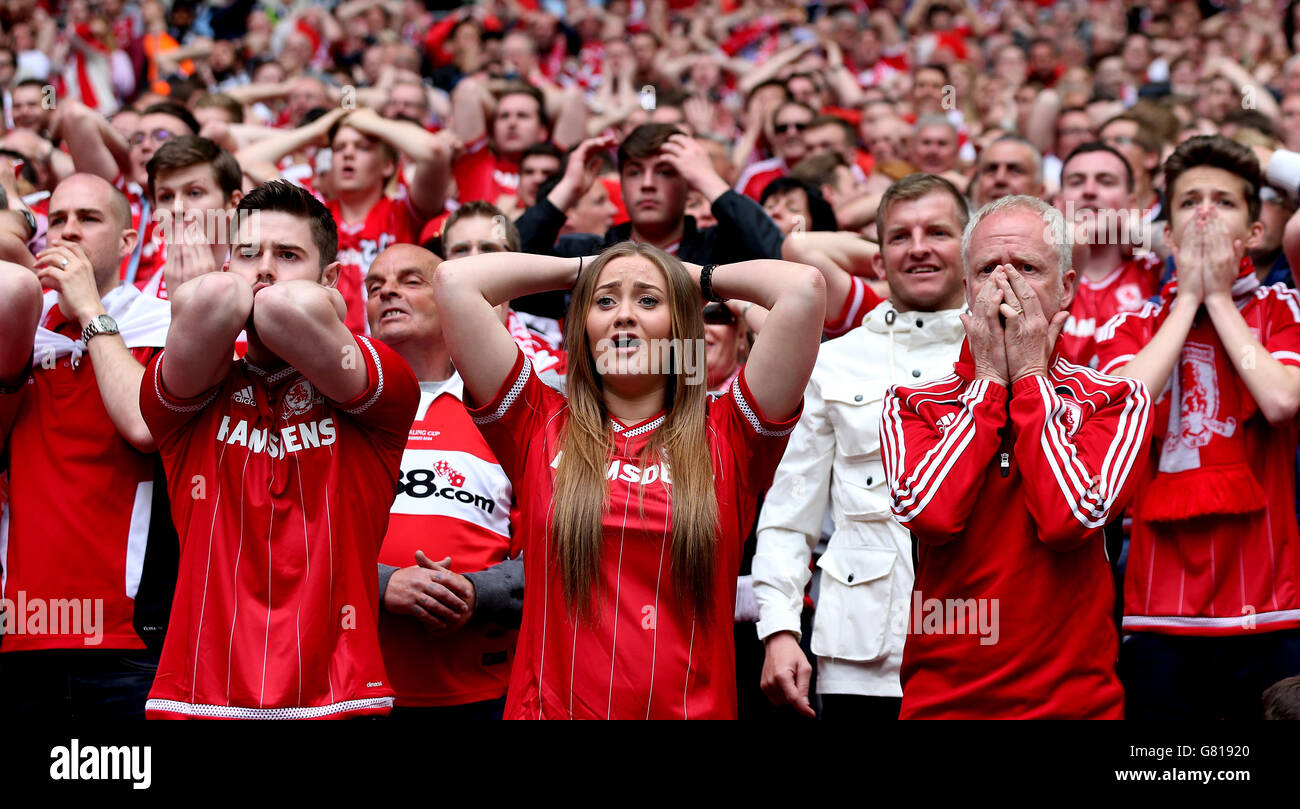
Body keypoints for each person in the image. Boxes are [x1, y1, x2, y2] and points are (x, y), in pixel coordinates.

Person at [431, 242, 825, 718]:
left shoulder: (729, 434)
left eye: (648, 301)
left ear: (681, 331)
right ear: (583, 329)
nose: (623, 315)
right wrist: (587, 269)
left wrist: (693, 278)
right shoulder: (537, 423)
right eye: (605, 301)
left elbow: (804, 288)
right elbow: (454, 282)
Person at [138, 180, 419, 718]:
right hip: (199, 700)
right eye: (248, 254)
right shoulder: (189, 389)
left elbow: (283, 312)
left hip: (339, 699)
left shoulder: (384, 381)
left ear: (330, 278)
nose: (264, 270)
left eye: (288, 255)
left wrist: (318, 304)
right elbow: (218, 299)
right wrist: (257, 287)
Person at [881, 194, 1153, 718]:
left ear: (1067, 288)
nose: (1006, 287)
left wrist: (1029, 380)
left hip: (1075, 708)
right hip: (942, 707)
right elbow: (931, 516)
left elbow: (1067, 519)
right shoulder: (911, 401)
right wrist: (988, 386)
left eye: (1028, 268)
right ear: (966, 290)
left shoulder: (1116, 399)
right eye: (987, 271)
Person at [1095, 136, 1300, 720]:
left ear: (1254, 234)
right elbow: (1123, 410)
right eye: (1188, 203)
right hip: (1158, 608)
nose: (1205, 212)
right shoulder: (1131, 323)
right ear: (1167, 234)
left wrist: (1220, 301)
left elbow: (1281, 399)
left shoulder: (1282, 308)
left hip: (1270, 604)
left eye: (1224, 202)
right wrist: (1188, 301)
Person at [755, 174, 970, 720]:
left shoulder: (1010, 351)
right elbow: (789, 511)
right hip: (861, 656)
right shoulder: (832, 361)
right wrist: (779, 627)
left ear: (970, 251)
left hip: (981, 648)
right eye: (899, 236)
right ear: (877, 261)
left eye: (937, 232)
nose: (918, 247)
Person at [0, 173, 175, 719]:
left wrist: (89, 310)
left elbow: (145, 429)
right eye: (57, 221)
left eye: (89, 219)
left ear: (129, 242)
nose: (68, 233)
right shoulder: (21, 334)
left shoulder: (163, 325)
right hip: (22, 635)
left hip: (128, 642)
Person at [366, 244, 523, 719]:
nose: (387, 291)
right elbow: (294, 537)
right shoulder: (338, 408)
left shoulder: (509, 409)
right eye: (374, 286)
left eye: (411, 281)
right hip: (355, 691)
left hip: (483, 693)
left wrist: (478, 593)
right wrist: (380, 584)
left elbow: (555, 549)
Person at [516, 125, 786, 286]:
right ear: (620, 185)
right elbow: (515, 267)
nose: (647, 184)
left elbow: (777, 257)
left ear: (689, 183)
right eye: (634, 172)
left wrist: (709, 180)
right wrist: (567, 189)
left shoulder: (723, 250)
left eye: (665, 172)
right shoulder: (585, 254)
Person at [1056, 142, 1162, 367]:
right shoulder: (1034, 276)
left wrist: (1136, 232)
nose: (1090, 190)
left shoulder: (1157, 271)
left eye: (1106, 181)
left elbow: (1193, 249)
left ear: (1131, 203)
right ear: (1058, 204)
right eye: (1076, 182)